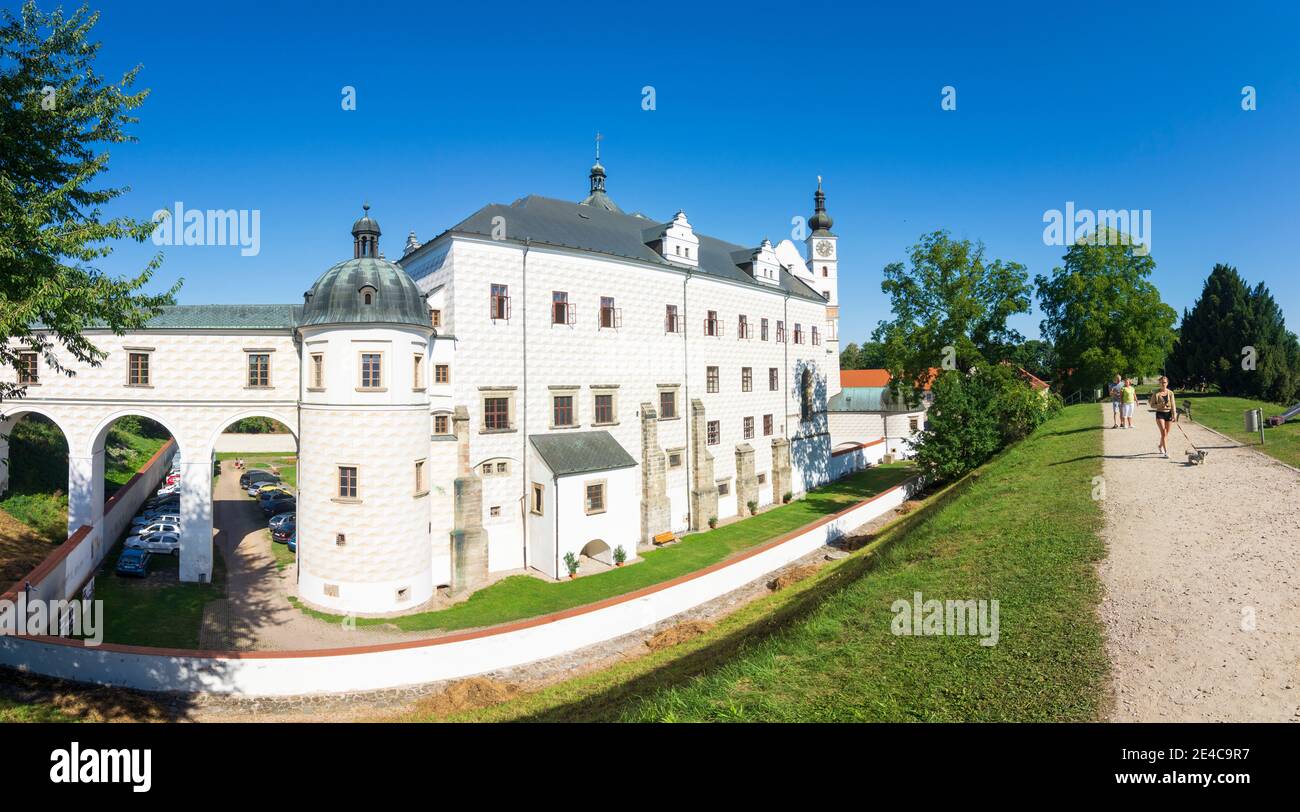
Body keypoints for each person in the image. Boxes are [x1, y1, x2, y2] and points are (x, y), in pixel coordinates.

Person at [1150, 376, 1177, 458]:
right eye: (1161, 382)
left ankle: (1160, 446)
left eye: (1164, 382)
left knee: (1166, 433)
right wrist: (1159, 405)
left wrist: (1174, 414)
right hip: (1160, 414)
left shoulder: (1170, 393)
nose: (1163, 384)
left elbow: (1173, 405)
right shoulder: (1156, 393)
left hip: (1168, 413)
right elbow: (1152, 405)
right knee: (1163, 432)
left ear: (1167, 383)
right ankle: (1166, 451)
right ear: (1159, 383)